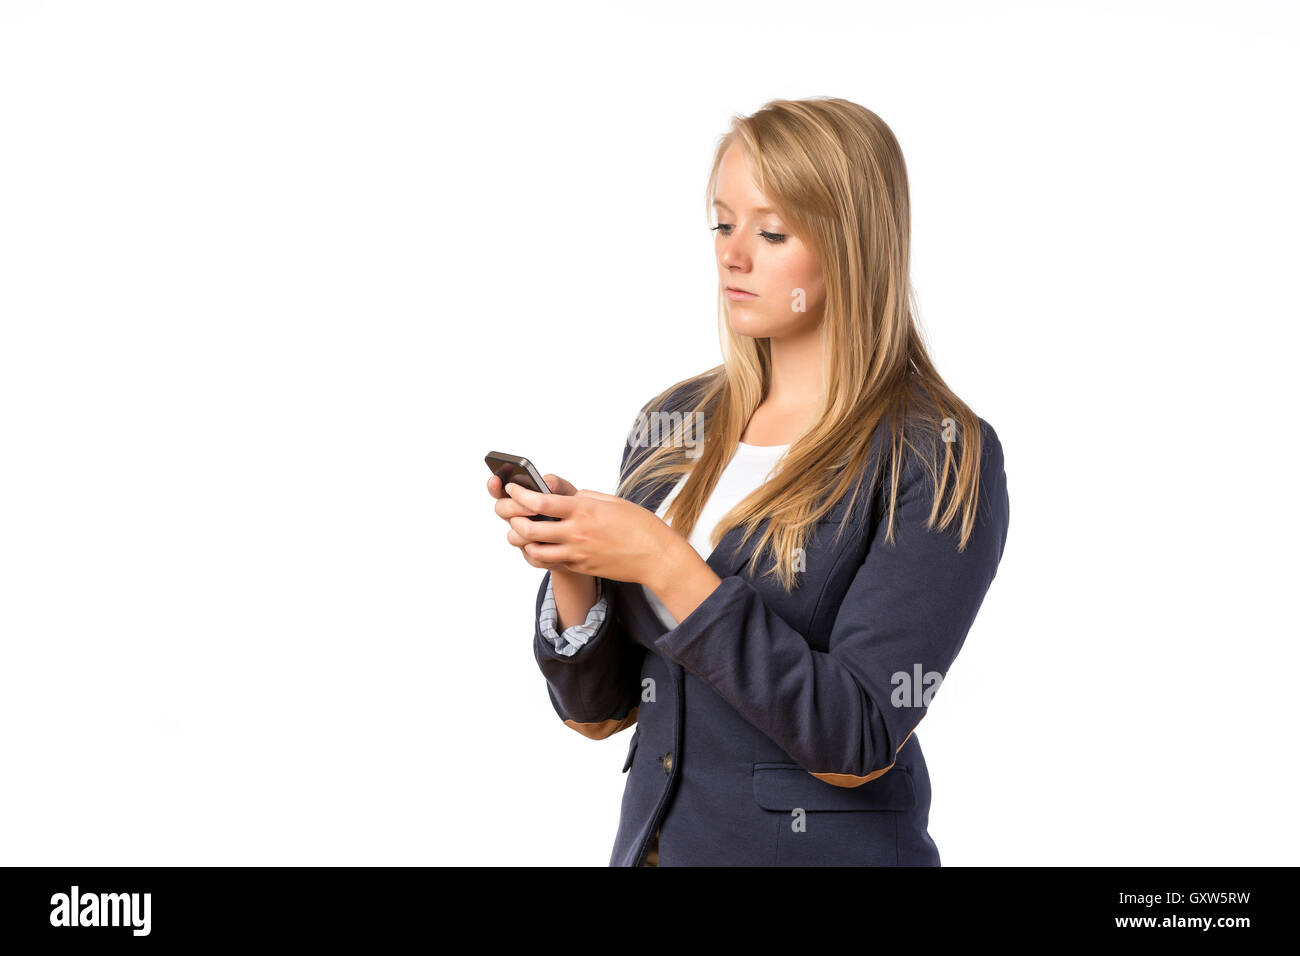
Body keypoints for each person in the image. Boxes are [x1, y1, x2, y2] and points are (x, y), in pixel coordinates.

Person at [487, 97, 1010, 866]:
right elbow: (599, 714)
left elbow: (859, 737)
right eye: (722, 224)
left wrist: (664, 562)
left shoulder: (937, 453)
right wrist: (576, 565)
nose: (733, 255)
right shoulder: (675, 422)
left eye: (771, 232)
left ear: (853, 245)